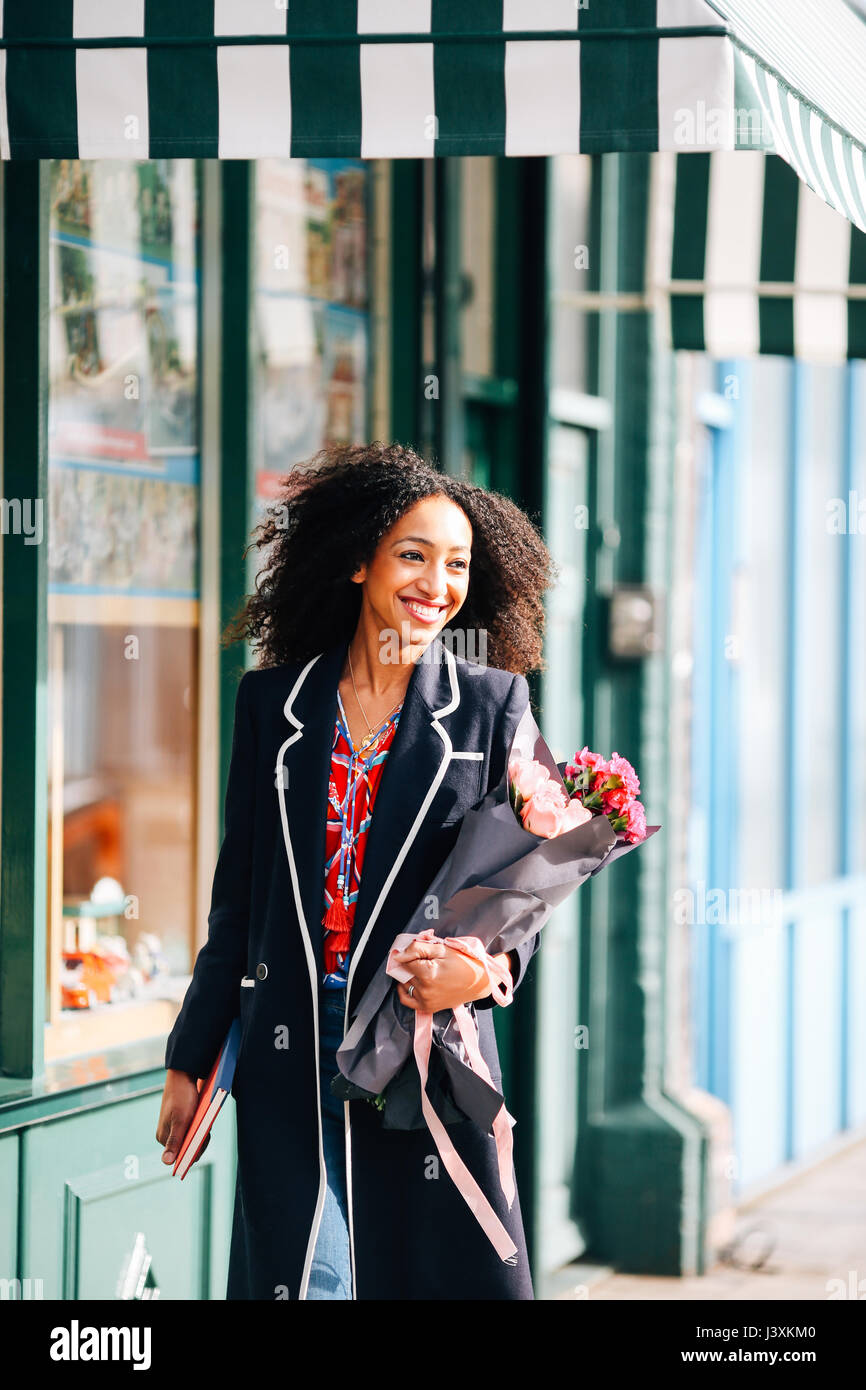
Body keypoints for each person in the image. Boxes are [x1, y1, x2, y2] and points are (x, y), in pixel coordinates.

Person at [155, 441, 556, 1300]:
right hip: (285, 1043)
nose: (437, 583)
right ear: (358, 562)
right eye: (414, 554)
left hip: (418, 1047)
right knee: (304, 1275)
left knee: (422, 1271)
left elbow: (528, 885)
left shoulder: (492, 705)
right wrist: (191, 1057)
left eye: (457, 564)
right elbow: (239, 902)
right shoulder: (273, 703)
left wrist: (483, 970)